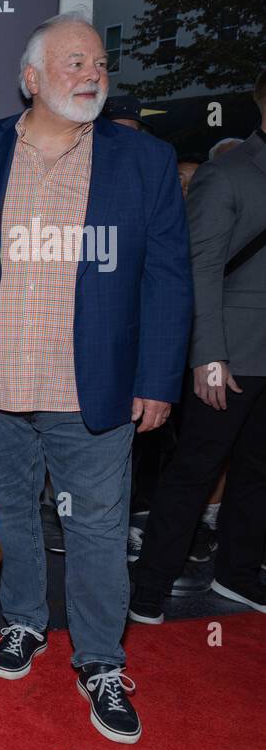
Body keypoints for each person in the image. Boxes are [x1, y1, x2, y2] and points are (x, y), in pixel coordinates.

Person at [0, 12, 192, 745]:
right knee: (15, 516)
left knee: (96, 529)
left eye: (98, 64)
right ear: (31, 79)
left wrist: (158, 379)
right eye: (73, 62)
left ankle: (100, 661)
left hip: (98, 387)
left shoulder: (141, 160)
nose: (92, 74)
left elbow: (168, 278)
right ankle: (23, 622)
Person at [130, 67, 266, 621]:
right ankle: (149, 589)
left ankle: (237, 574)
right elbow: (201, 268)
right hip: (231, 352)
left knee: (259, 471)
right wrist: (207, 355)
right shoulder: (228, 173)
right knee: (194, 471)